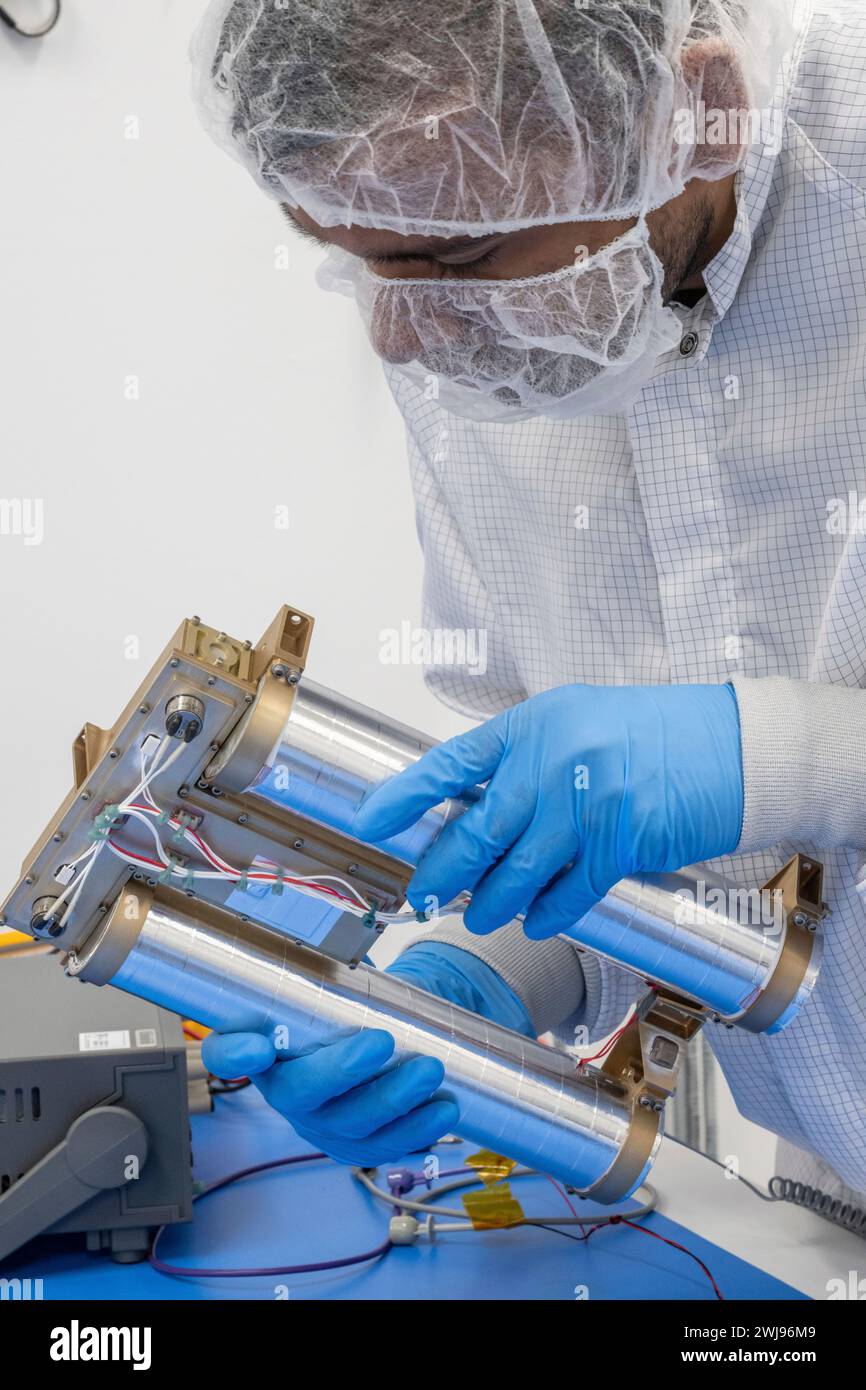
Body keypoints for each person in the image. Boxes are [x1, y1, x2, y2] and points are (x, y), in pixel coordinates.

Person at [193, 0, 866, 1205]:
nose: (398, 341)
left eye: (452, 254)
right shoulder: (468, 327)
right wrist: (461, 979)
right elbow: (571, 816)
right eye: (350, 254)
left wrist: (786, 758)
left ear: (696, 110)